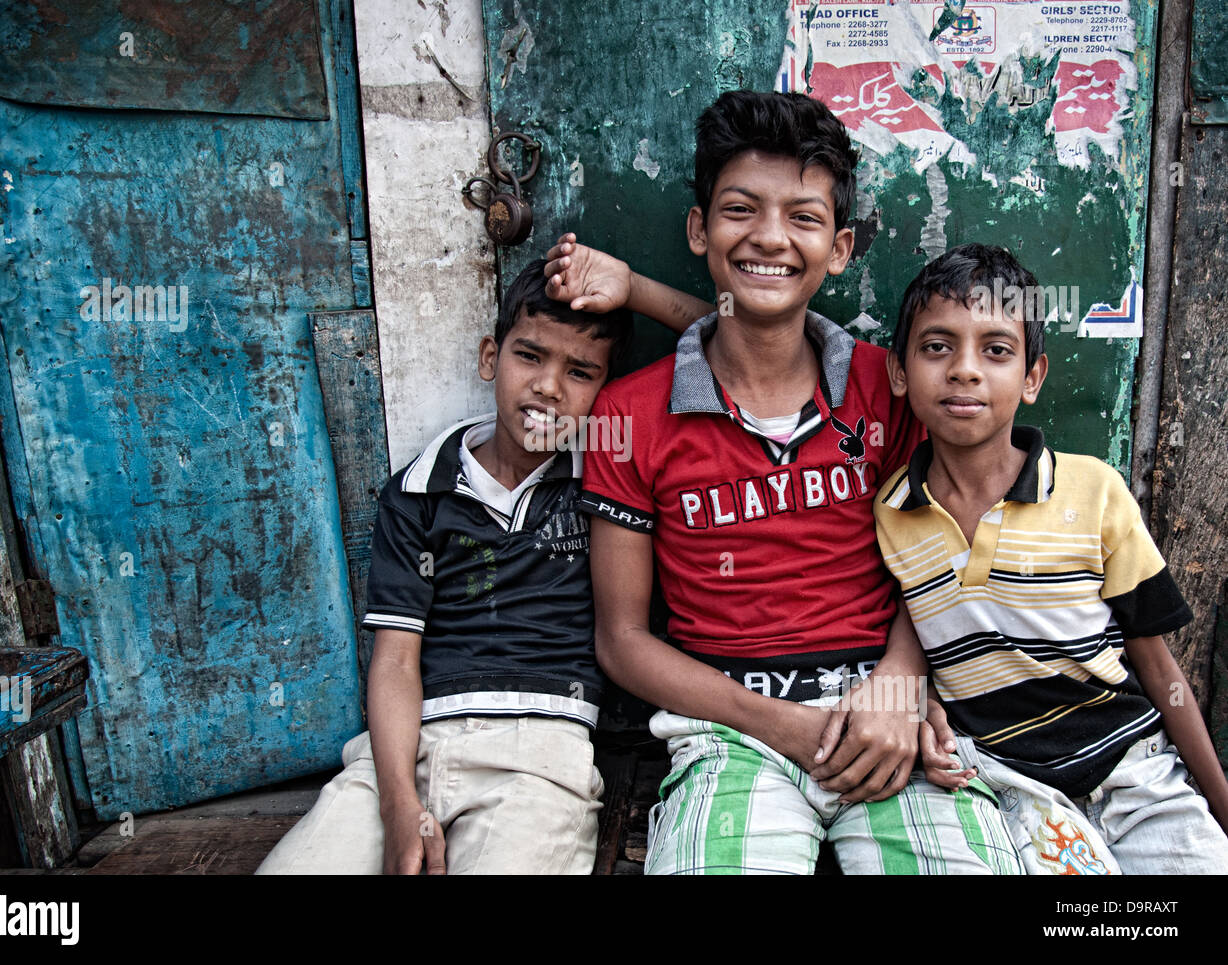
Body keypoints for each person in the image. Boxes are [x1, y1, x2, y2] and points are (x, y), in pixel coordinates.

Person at [548, 90, 1020, 874]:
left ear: (838, 249)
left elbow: (942, 558)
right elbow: (622, 640)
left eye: (802, 217)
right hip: (726, 731)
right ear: (700, 229)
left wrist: (902, 682)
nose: (770, 237)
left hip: (884, 716)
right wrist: (783, 724)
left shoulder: (890, 386)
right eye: (740, 210)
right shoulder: (631, 414)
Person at [256, 259, 632, 874]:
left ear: (606, 390)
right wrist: (399, 807)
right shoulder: (416, 492)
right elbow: (397, 657)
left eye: (580, 372)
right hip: (409, 749)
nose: (548, 387)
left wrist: (637, 289)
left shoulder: (604, 486)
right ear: (491, 358)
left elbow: (737, 341)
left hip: (536, 759)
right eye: (529, 357)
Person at [875, 242, 1228, 874]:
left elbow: (1159, 669)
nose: (964, 370)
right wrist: (925, 712)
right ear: (899, 373)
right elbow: (921, 627)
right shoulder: (894, 513)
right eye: (936, 347)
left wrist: (1222, 801)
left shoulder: (1095, 493)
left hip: (1133, 772)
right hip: (1006, 788)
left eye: (996, 350)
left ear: (1033, 378)